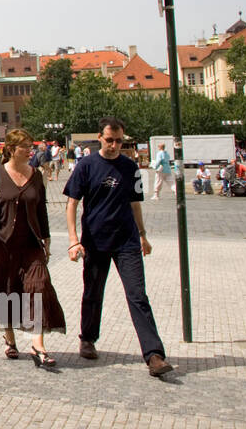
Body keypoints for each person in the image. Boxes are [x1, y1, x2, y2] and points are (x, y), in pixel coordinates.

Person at [65, 117, 173, 377]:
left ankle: (154, 355)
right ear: (100, 138)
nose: (114, 145)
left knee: (138, 295)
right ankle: (88, 338)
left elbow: (136, 203)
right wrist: (73, 240)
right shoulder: (86, 166)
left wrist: (143, 235)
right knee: (93, 293)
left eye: (119, 141)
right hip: (95, 240)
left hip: (127, 241)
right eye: (110, 139)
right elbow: (72, 204)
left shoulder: (130, 167)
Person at [0, 129, 65, 365]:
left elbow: (41, 209)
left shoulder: (36, 175)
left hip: (31, 244)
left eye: (30, 145)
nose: (30, 149)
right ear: (12, 150)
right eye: (24, 146)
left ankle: (38, 345)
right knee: (6, 289)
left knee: (40, 285)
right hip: (2, 244)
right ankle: (10, 338)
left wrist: (47, 239)